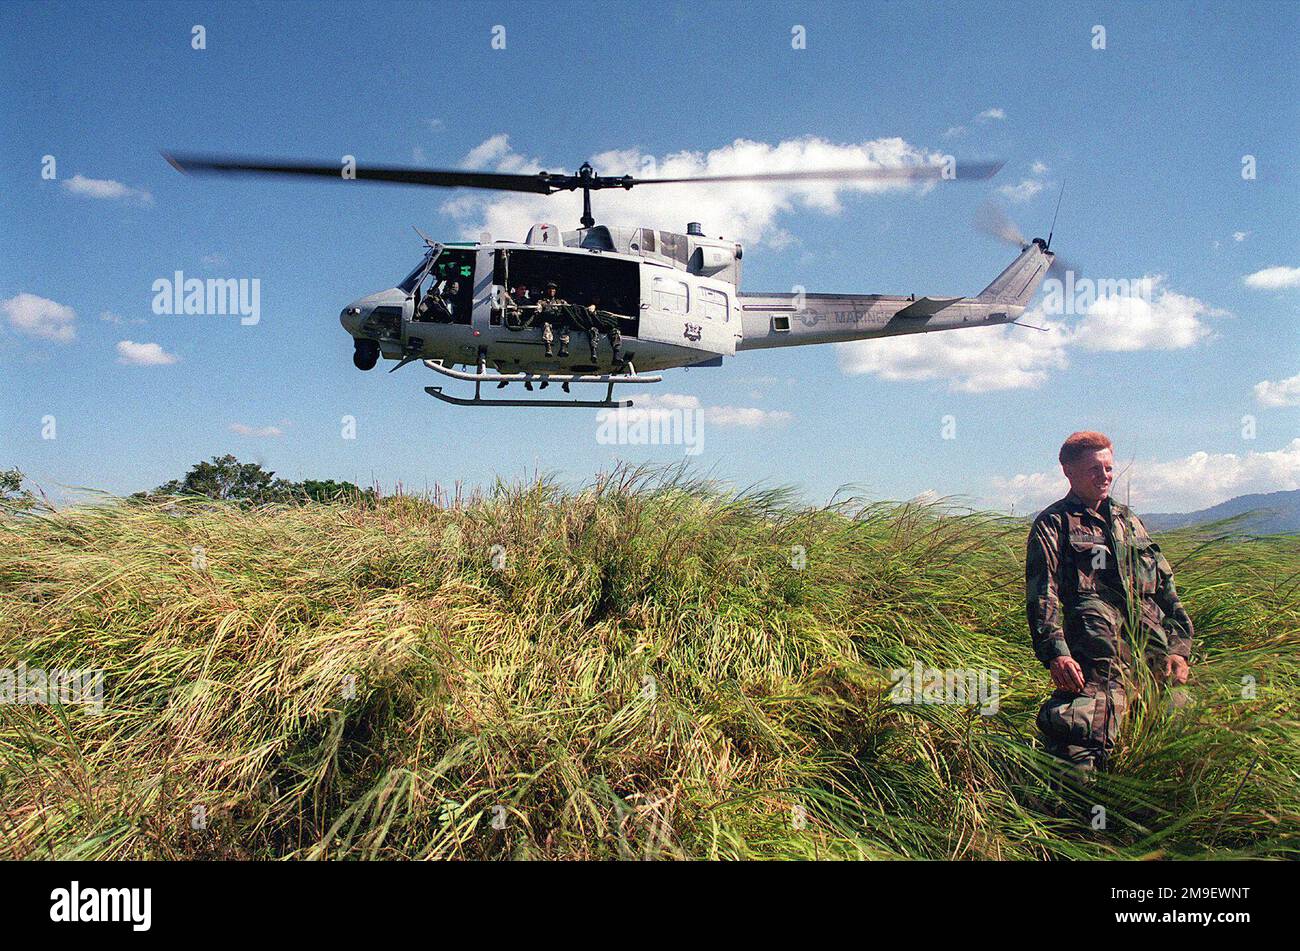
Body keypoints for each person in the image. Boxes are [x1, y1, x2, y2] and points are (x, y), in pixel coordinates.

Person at [1026, 431, 1194, 775]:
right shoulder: (1053, 524)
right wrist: (1055, 652)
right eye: (1094, 469)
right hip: (1094, 655)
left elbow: (1166, 589)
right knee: (1082, 741)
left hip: (1151, 654)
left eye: (1108, 468)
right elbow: (1043, 593)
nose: (1104, 476)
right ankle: (1076, 821)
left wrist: (1179, 647)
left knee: (1174, 732)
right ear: (1069, 472)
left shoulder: (1129, 522)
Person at [584, 295, 623, 366]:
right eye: (595, 298)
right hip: (594, 326)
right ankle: (593, 352)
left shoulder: (604, 307)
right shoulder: (589, 306)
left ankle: (616, 355)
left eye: (598, 298)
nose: (596, 299)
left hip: (605, 326)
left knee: (615, 332)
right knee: (593, 331)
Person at [538, 281, 569, 358]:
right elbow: (538, 310)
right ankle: (548, 347)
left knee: (565, 326)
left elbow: (569, 309)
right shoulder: (542, 302)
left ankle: (563, 347)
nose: (552, 290)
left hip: (558, 322)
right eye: (550, 289)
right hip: (548, 322)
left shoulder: (560, 302)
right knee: (546, 326)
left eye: (553, 289)